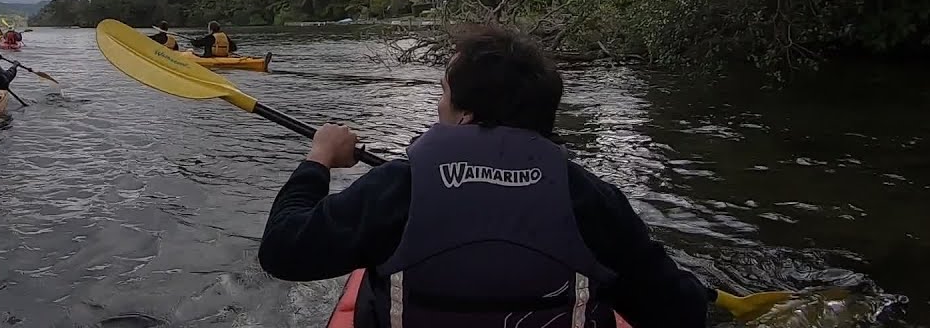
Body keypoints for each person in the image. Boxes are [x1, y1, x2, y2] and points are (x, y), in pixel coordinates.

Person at [256, 23, 712, 328]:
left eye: (443, 94)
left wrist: (317, 159)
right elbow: (680, 313)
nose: (438, 106)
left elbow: (282, 251)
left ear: (466, 115)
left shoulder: (397, 188)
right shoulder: (591, 198)